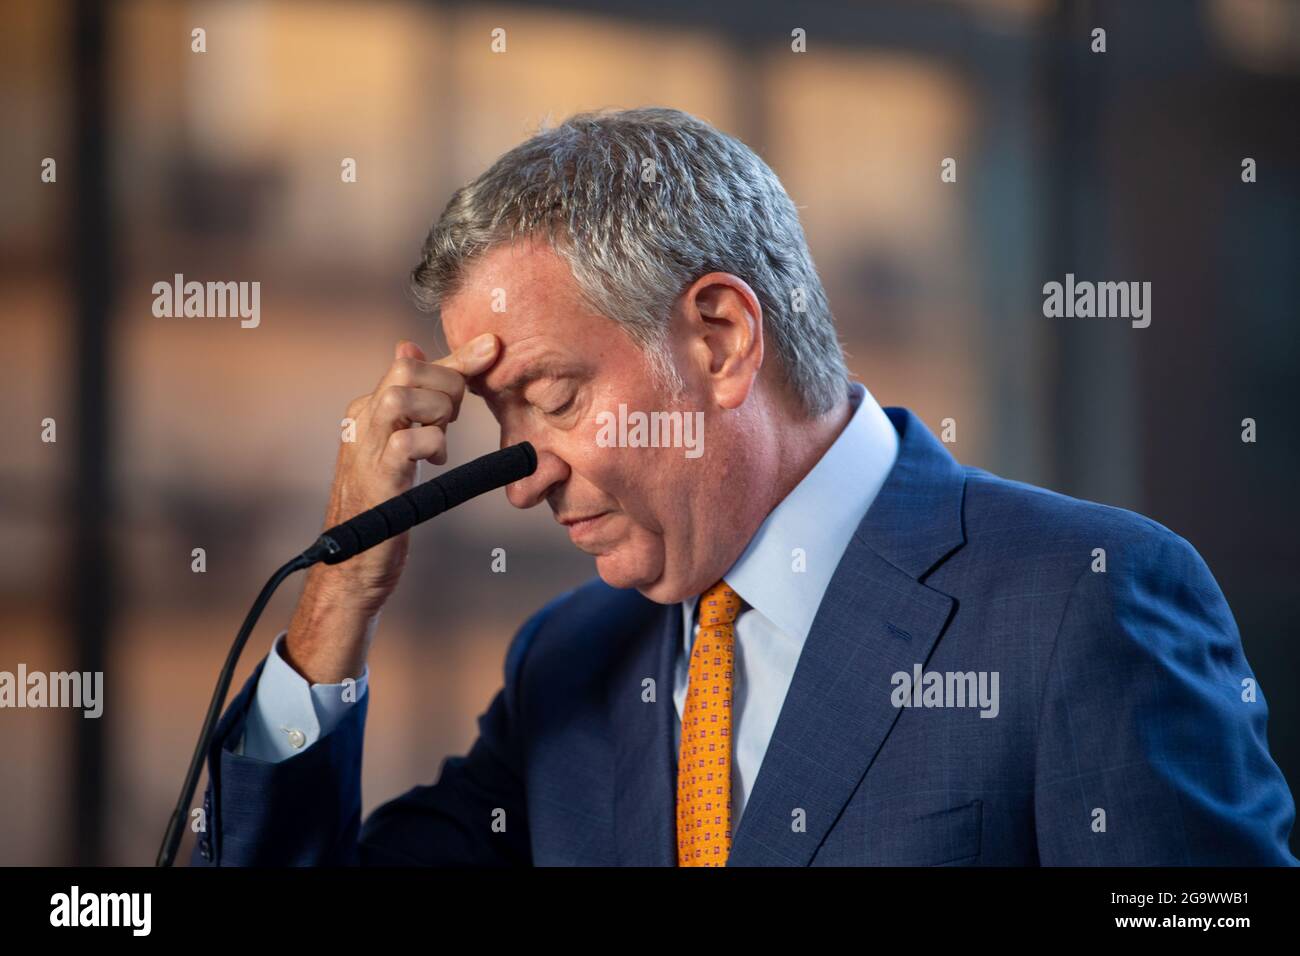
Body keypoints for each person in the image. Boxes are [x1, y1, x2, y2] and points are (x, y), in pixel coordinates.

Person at [190, 107, 1296, 866]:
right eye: (500, 421)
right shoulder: (566, 666)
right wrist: (337, 591)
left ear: (719, 338)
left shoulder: (1082, 599)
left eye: (556, 396)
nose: (521, 479)